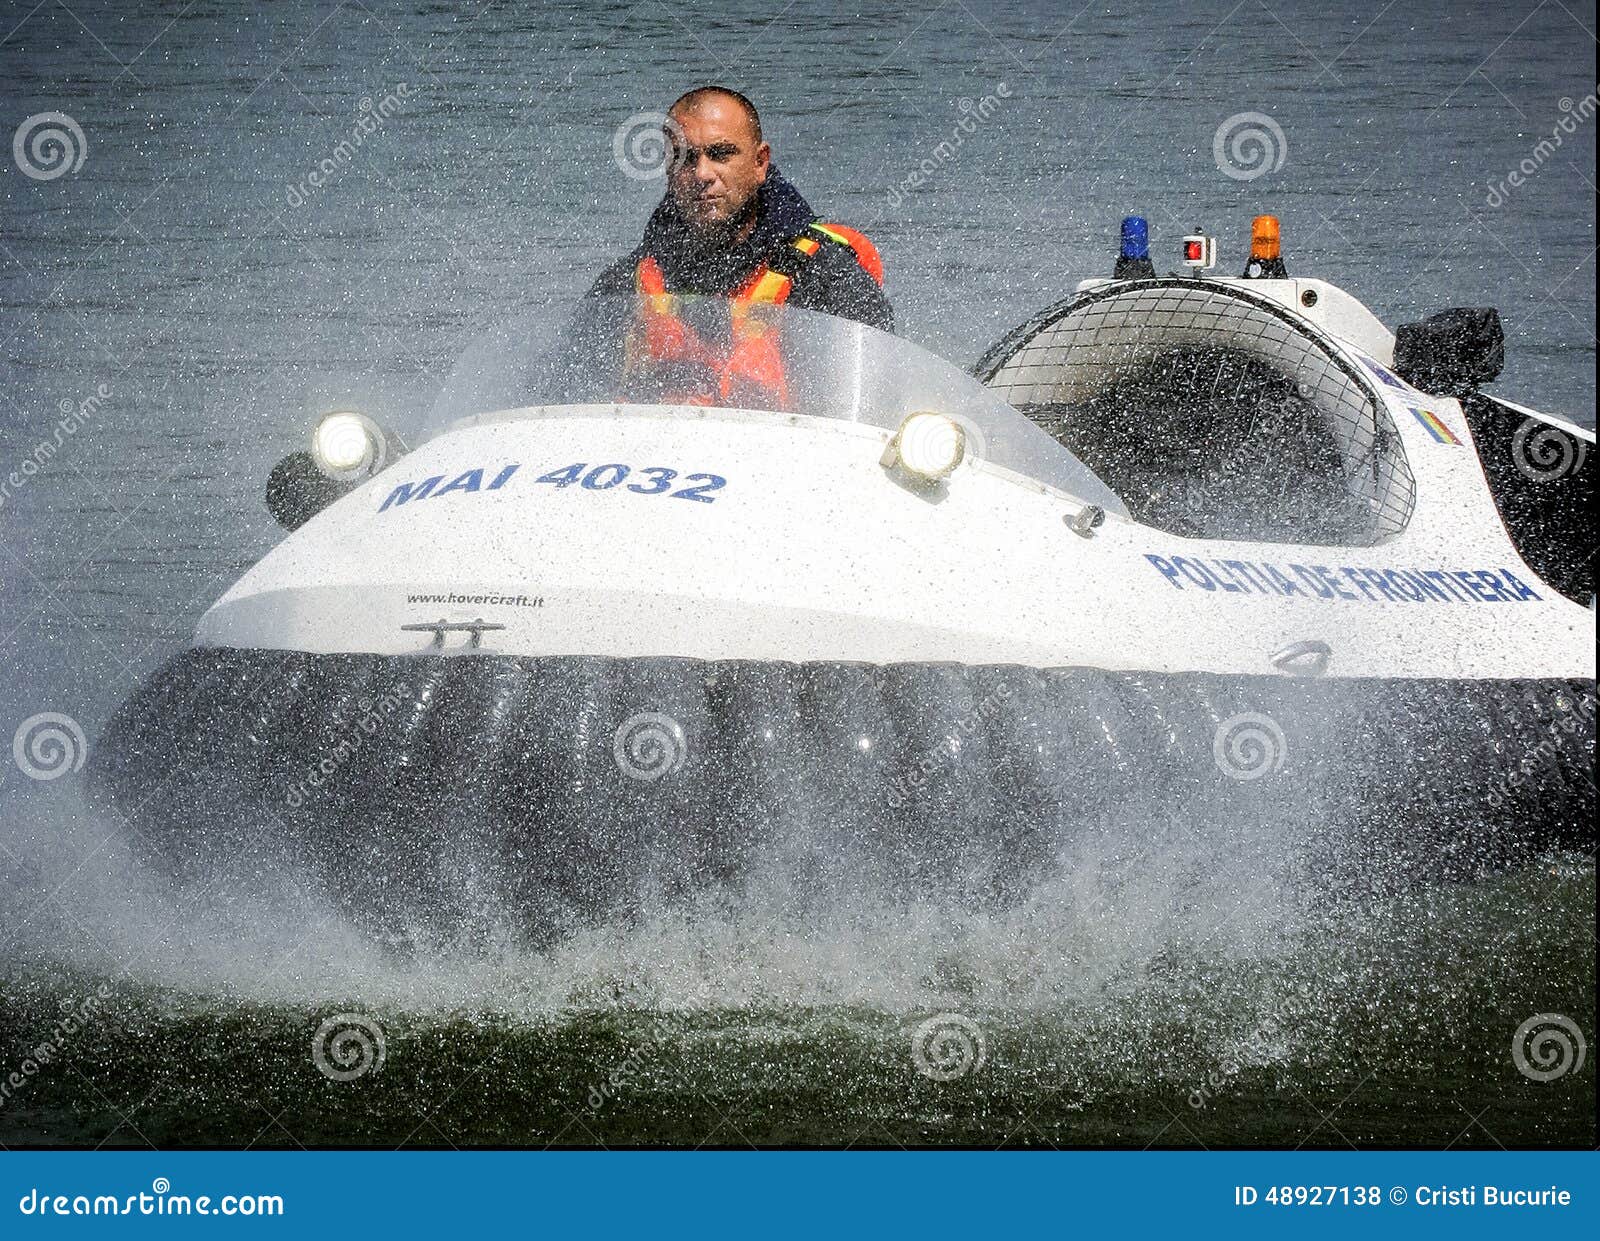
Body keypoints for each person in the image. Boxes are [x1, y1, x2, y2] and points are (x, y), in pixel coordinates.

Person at [590, 87, 892, 332]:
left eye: (721, 154)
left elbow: (879, 389)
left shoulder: (826, 278)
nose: (702, 174)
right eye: (685, 158)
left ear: (760, 163)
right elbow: (563, 388)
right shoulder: (623, 287)